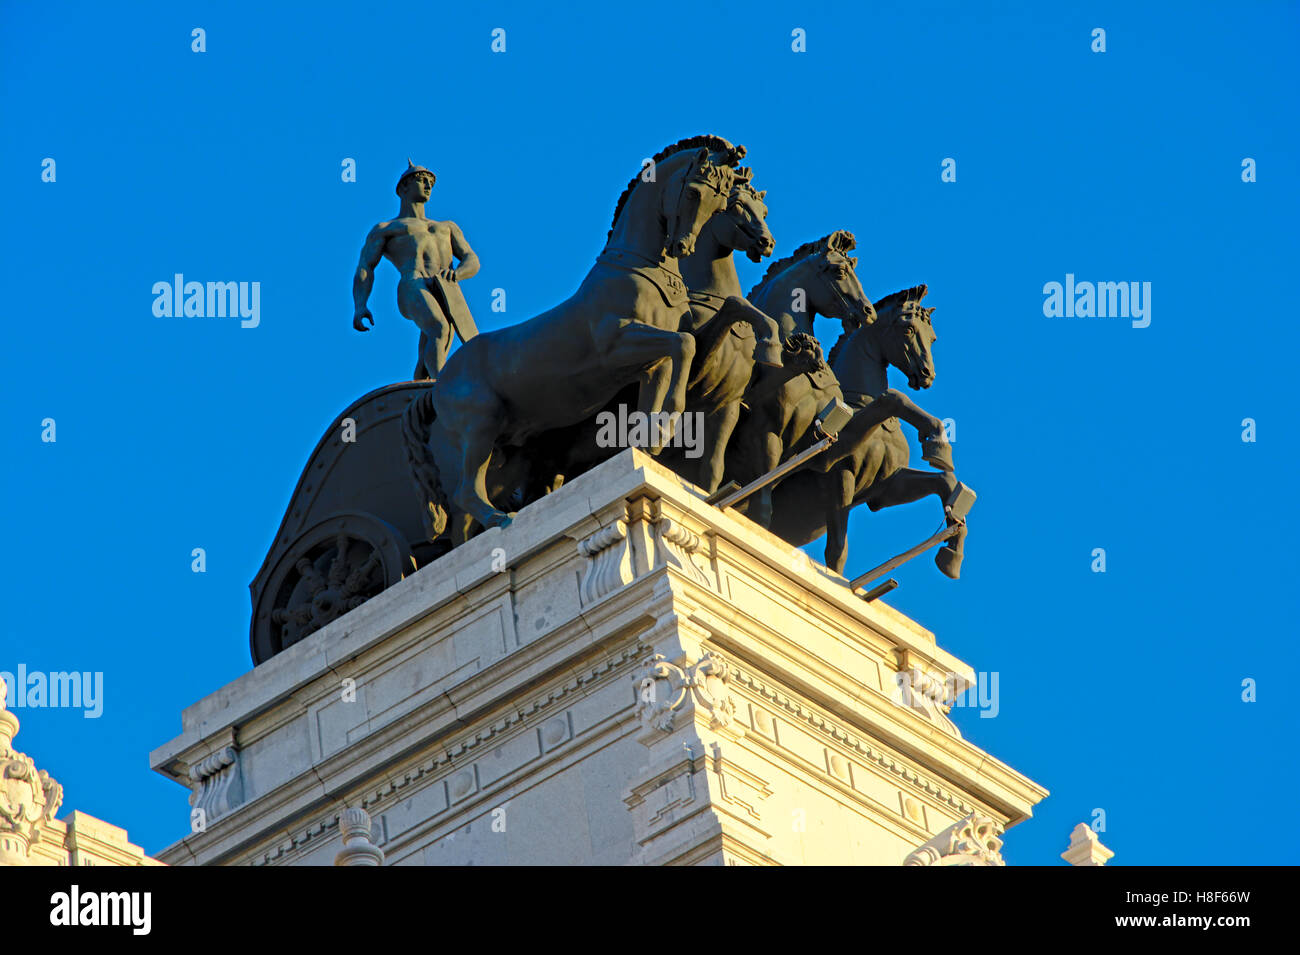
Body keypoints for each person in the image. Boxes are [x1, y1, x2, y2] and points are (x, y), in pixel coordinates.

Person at [352, 160, 480, 380]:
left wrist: (458, 273)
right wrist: (360, 305)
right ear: (403, 188)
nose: (428, 186)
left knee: (437, 338)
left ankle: (421, 386)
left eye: (430, 182)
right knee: (439, 328)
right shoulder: (388, 229)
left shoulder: (447, 227)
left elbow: (472, 259)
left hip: (446, 286)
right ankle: (442, 385)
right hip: (413, 282)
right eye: (422, 181)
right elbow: (365, 267)